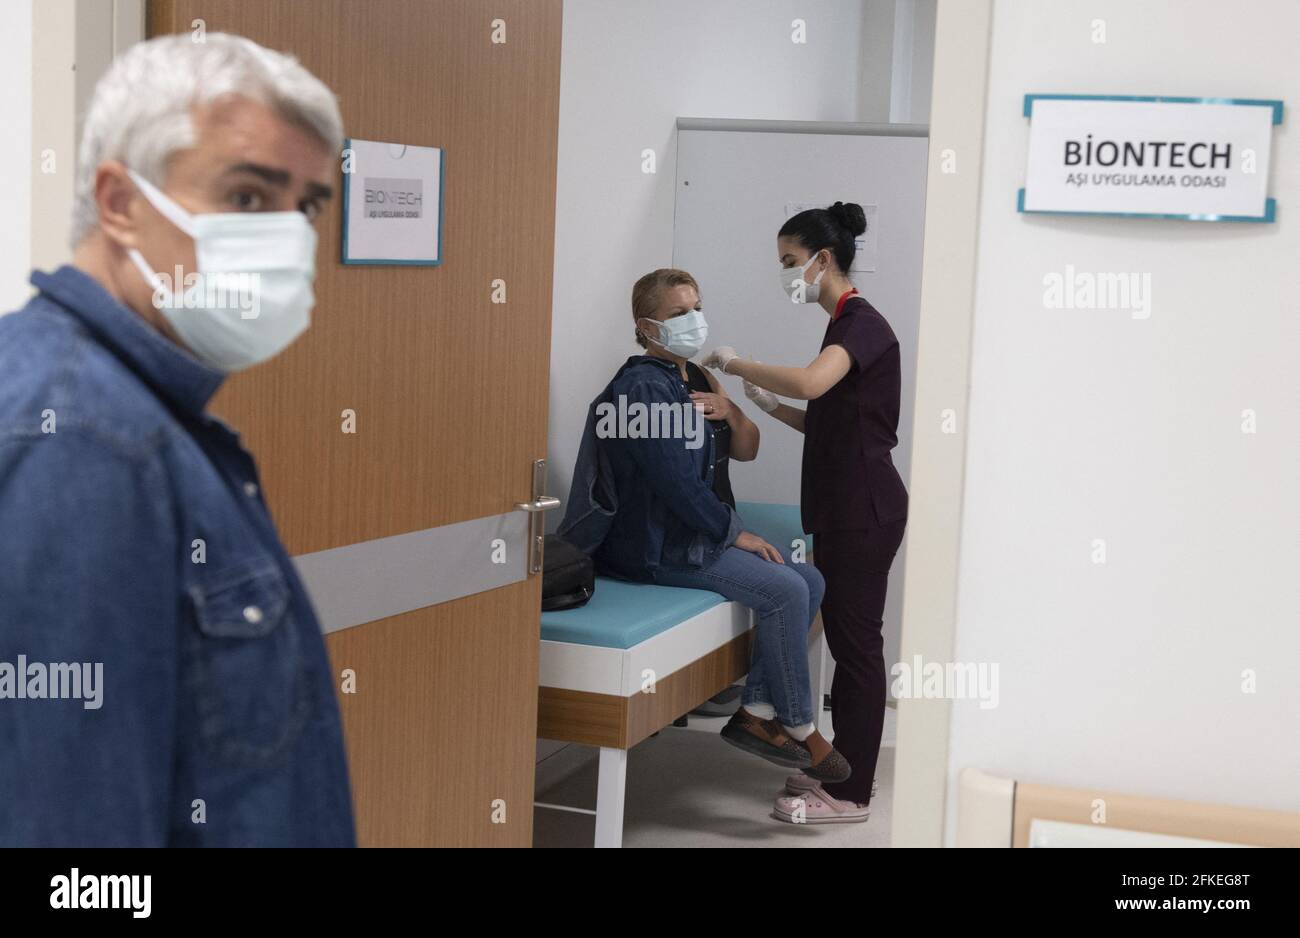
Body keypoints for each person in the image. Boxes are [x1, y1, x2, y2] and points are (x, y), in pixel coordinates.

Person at [0, 34, 355, 845]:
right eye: (248, 197)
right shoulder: (81, 440)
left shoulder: (150, 421)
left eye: (304, 207)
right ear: (121, 203)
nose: (288, 239)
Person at [559, 268, 849, 784]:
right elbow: (674, 483)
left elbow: (745, 449)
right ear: (647, 327)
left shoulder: (689, 377)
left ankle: (756, 712)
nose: (693, 320)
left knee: (813, 579)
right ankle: (802, 725)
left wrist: (733, 409)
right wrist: (735, 532)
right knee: (786, 588)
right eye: (678, 314)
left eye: (696, 307)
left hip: (692, 535)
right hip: (656, 548)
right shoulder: (642, 389)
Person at [702, 201, 908, 824]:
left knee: (856, 649)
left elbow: (816, 385)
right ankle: (844, 766)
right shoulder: (842, 324)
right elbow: (831, 423)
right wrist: (767, 406)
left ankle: (849, 793)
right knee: (851, 645)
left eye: (790, 262)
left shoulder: (860, 323)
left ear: (824, 259)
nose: (787, 274)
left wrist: (736, 366)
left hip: (862, 510)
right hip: (845, 506)